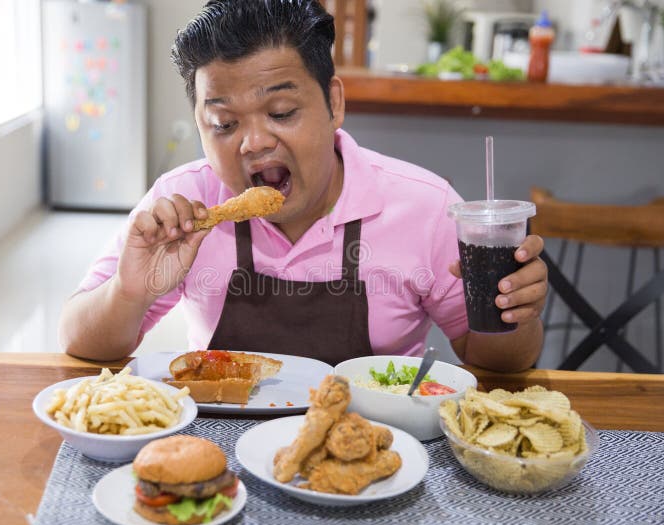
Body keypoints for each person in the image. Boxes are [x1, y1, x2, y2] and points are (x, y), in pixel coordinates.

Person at [59, 0, 547, 372]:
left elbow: (497, 364)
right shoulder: (184, 204)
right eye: (224, 123)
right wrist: (130, 292)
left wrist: (513, 313)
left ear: (333, 104)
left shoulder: (423, 206)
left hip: (379, 459)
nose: (253, 142)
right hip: (220, 452)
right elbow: (79, 340)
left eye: (281, 113)